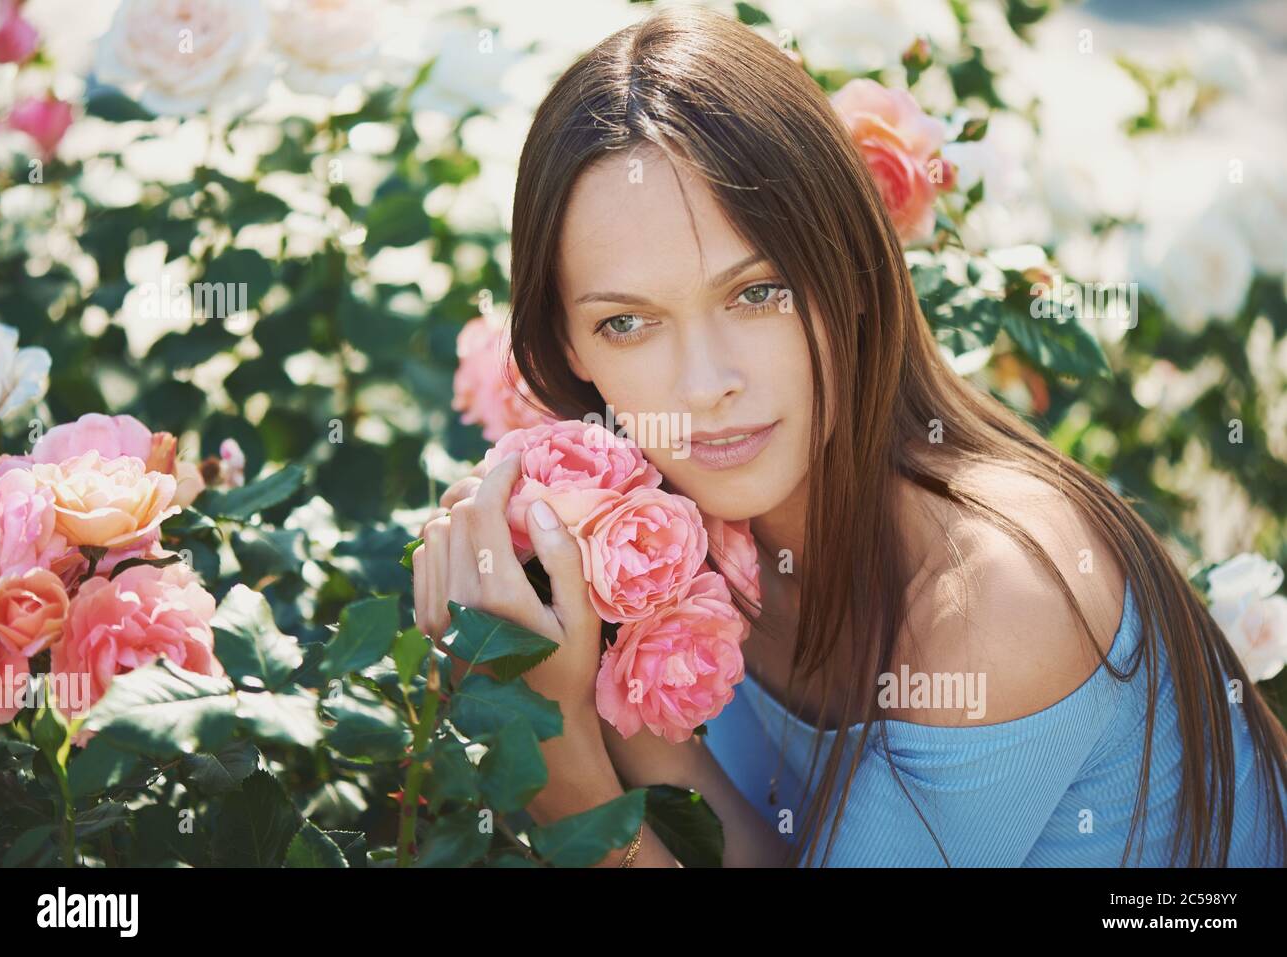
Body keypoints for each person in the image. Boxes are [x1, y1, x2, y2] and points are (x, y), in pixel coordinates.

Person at [411, 5, 1287, 867]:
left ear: (855, 274)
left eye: (758, 294)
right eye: (628, 324)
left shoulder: (994, 596)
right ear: (568, 348)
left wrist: (562, 773)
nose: (707, 385)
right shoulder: (670, 534)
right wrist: (603, 679)